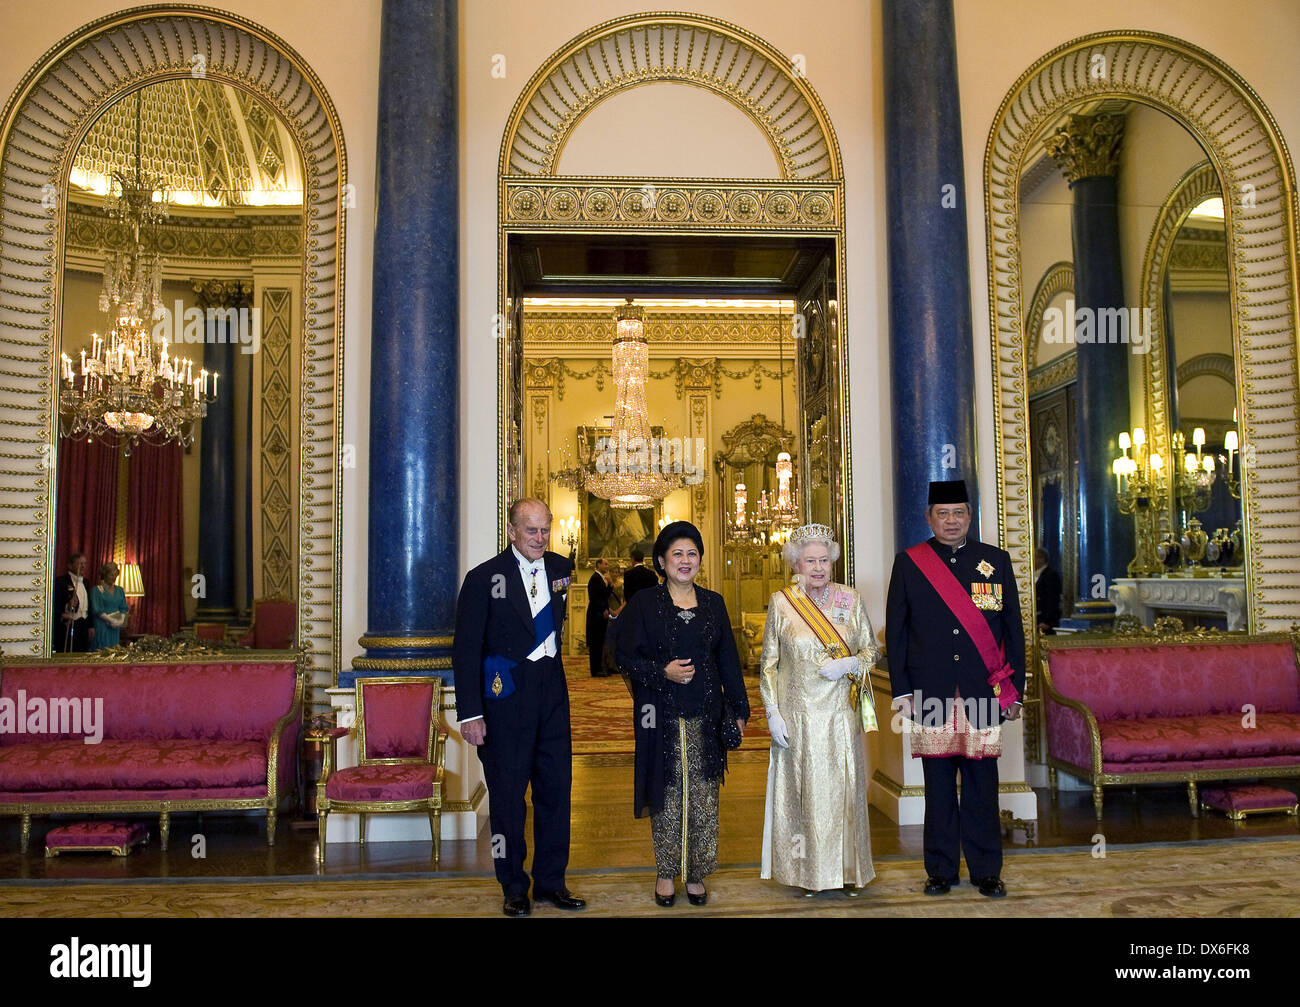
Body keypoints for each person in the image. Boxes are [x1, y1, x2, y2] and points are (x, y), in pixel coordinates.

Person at [885, 479, 1024, 898]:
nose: (951, 521)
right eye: (942, 514)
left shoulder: (995, 561)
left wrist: (1013, 689)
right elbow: (897, 633)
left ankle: (986, 870)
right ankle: (940, 870)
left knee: (983, 783)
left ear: (970, 516)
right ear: (929, 518)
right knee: (938, 784)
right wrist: (902, 691)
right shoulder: (910, 563)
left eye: (959, 512)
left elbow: (1013, 629)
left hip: (984, 690)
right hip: (929, 691)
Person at [452, 498, 585, 917]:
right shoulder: (483, 578)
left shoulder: (562, 570)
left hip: (552, 698)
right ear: (512, 531)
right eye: (531, 531)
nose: (540, 539)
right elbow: (466, 651)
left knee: (556, 793)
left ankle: (550, 882)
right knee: (509, 801)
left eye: (545, 530)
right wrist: (471, 713)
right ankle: (512, 886)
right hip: (503, 702)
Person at [616, 520, 749, 907]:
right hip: (661, 715)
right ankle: (665, 873)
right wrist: (663, 672)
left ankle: (696, 874)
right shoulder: (645, 605)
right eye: (677, 554)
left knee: (705, 796)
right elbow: (623, 655)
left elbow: (728, 660)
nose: (685, 561)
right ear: (661, 560)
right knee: (667, 796)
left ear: (700, 560)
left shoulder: (713, 603)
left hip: (707, 715)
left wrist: (739, 709)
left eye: (692, 553)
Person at [760, 523, 877, 896]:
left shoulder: (850, 600)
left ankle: (846, 872)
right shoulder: (782, 603)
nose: (817, 567)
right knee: (806, 797)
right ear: (796, 563)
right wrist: (772, 712)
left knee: (843, 795)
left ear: (833, 562)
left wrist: (849, 665)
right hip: (798, 717)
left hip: (840, 716)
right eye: (809, 560)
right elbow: (769, 664)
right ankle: (809, 874)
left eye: (824, 560)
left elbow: (870, 651)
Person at [53, 552, 91, 652]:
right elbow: (54, 604)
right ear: (70, 565)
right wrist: (66, 607)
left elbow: (88, 606)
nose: (83, 566)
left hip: (83, 624)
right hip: (69, 624)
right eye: (80, 564)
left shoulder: (86, 582)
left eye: (84, 564)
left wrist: (91, 626)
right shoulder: (61, 582)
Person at [90, 560, 129, 651]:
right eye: (111, 574)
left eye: (115, 574)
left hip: (115, 626)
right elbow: (97, 609)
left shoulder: (119, 590)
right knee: (102, 649)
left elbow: (123, 607)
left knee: (114, 650)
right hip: (102, 625)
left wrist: (120, 621)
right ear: (105, 574)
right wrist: (111, 620)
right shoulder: (96, 590)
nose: (114, 577)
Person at [585, 558, 613, 676]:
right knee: (596, 642)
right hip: (596, 614)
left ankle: (599, 668)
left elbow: (603, 596)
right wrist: (603, 610)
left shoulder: (600, 578)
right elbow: (596, 598)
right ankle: (596, 670)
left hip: (599, 613)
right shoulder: (595, 578)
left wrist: (610, 585)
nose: (607, 566)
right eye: (605, 564)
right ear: (598, 565)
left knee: (600, 641)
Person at [1034, 547, 1062, 634]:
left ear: (1041, 559)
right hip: (1038, 619)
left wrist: (1048, 621)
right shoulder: (1036, 574)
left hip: (1045, 621)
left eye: (1034, 557)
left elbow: (1052, 599)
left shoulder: (1050, 575)